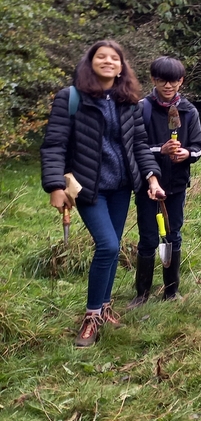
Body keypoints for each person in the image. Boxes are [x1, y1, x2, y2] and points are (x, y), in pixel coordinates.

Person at [41, 40, 165, 347]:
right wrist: (55, 186)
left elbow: (138, 144)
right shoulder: (71, 99)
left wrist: (151, 177)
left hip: (122, 187)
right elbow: (54, 144)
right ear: (90, 62)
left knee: (112, 247)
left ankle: (106, 305)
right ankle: (91, 316)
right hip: (89, 189)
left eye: (115, 58)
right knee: (108, 246)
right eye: (101, 57)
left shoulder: (129, 102)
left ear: (122, 66)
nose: (108, 61)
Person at [129, 56, 201, 307]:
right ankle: (142, 294)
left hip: (177, 185)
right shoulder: (142, 108)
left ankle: (171, 291)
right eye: (162, 80)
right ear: (153, 80)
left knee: (173, 236)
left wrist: (186, 155)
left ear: (181, 81)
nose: (168, 86)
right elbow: (134, 147)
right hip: (148, 185)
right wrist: (159, 150)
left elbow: (198, 148)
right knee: (148, 237)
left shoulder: (188, 111)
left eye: (174, 81)